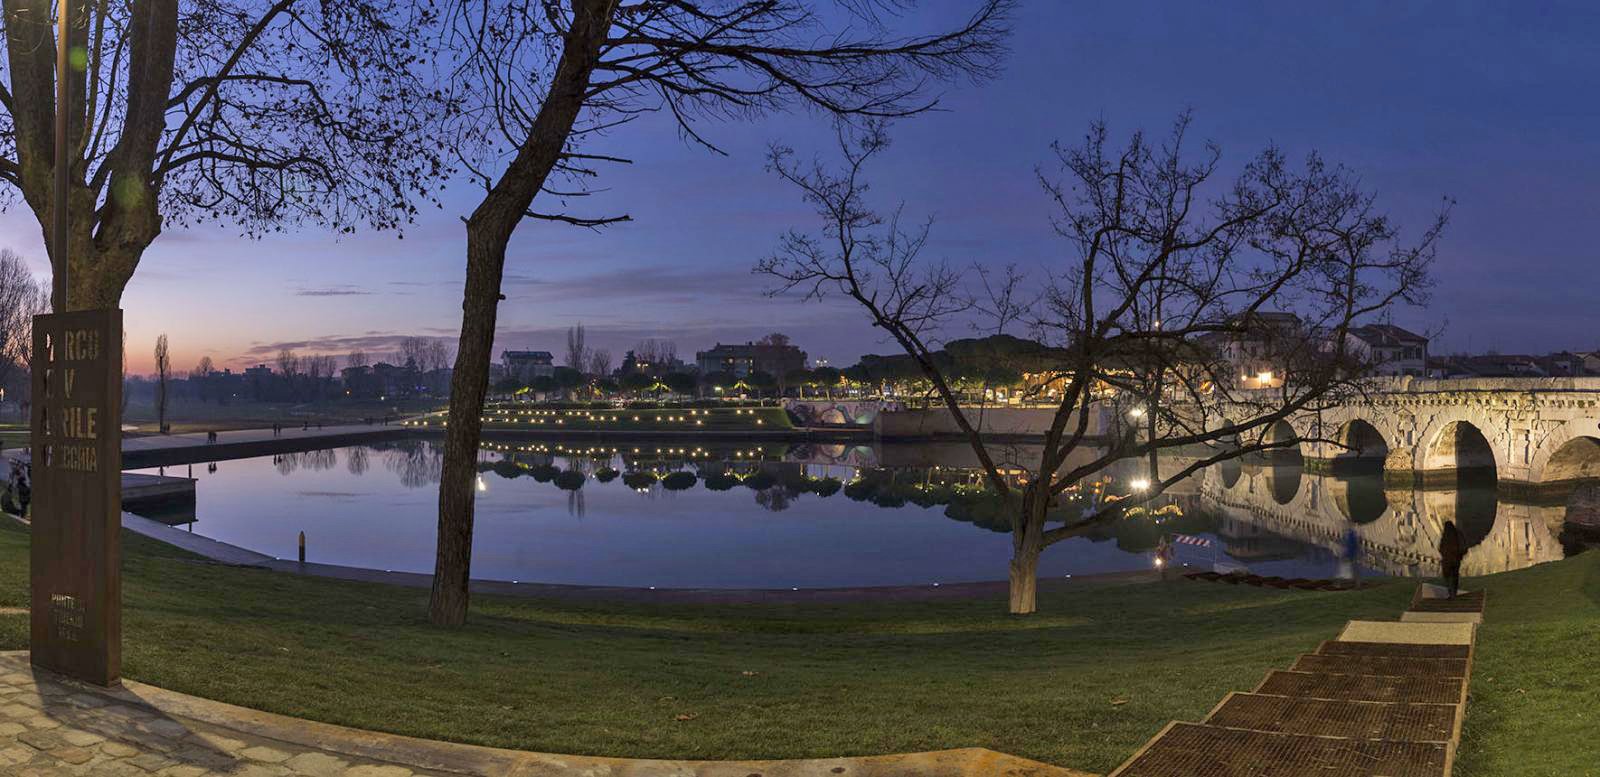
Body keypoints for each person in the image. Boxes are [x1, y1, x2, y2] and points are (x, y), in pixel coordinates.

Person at [1438, 520, 1465, 598]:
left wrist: (1444, 554)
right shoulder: (1457, 535)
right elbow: (1463, 547)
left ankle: (1451, 593)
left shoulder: (1445, 536)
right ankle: (1454, 593)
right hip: (1455, 561)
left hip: (1447, 562)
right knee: (1454, 577)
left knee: (1448, 577)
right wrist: (1460, 555)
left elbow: (1441, 548)